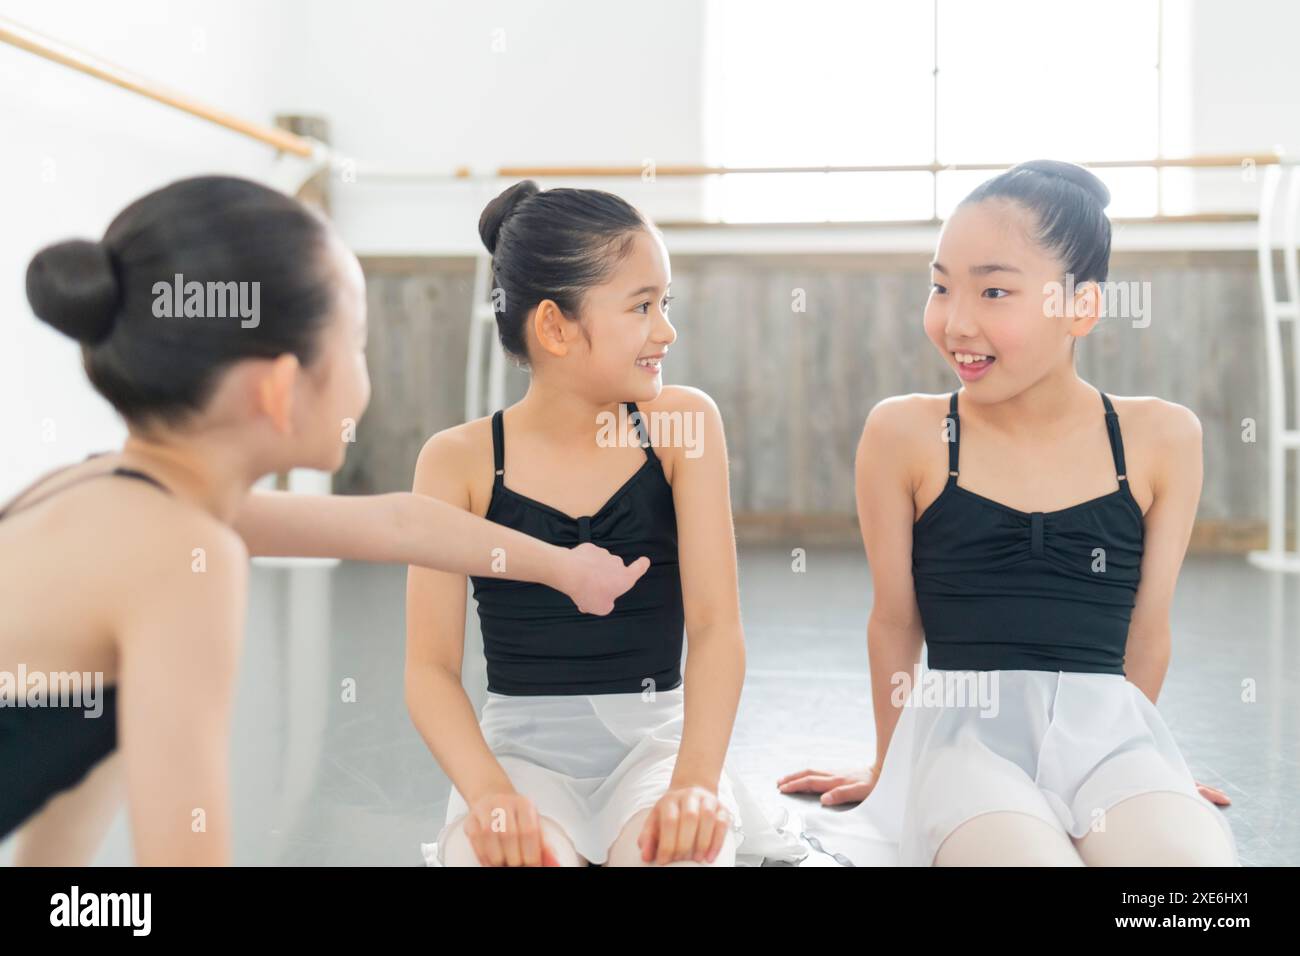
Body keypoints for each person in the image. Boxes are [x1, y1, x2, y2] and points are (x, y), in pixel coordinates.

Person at [1, 175, 645, 866]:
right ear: (281, 391)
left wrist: (565, 567)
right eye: (358, 344)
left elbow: (399, 526)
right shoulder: (185, 556)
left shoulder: (105, 494)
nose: (364, 374)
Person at [780, 160, 1239, 866]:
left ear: (1081, 308)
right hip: (965, 744)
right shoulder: (905, 433)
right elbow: (895, 622)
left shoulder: (1163, 436)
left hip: (1109, 744)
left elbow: (1148, 631)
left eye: (994, 290)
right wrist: (895, 770)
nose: (955, 321)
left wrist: (1148, 760)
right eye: (940, 287)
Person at [407, 181, 805, 867]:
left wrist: (694, 786)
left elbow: (716, 628)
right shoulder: (457, 461)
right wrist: (490, 795)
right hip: (519, 760)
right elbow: (429, 668)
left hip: (657, 752)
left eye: (666, 303)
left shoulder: (682, 427)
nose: (667, 330)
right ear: (556, 327)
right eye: (643, 306)